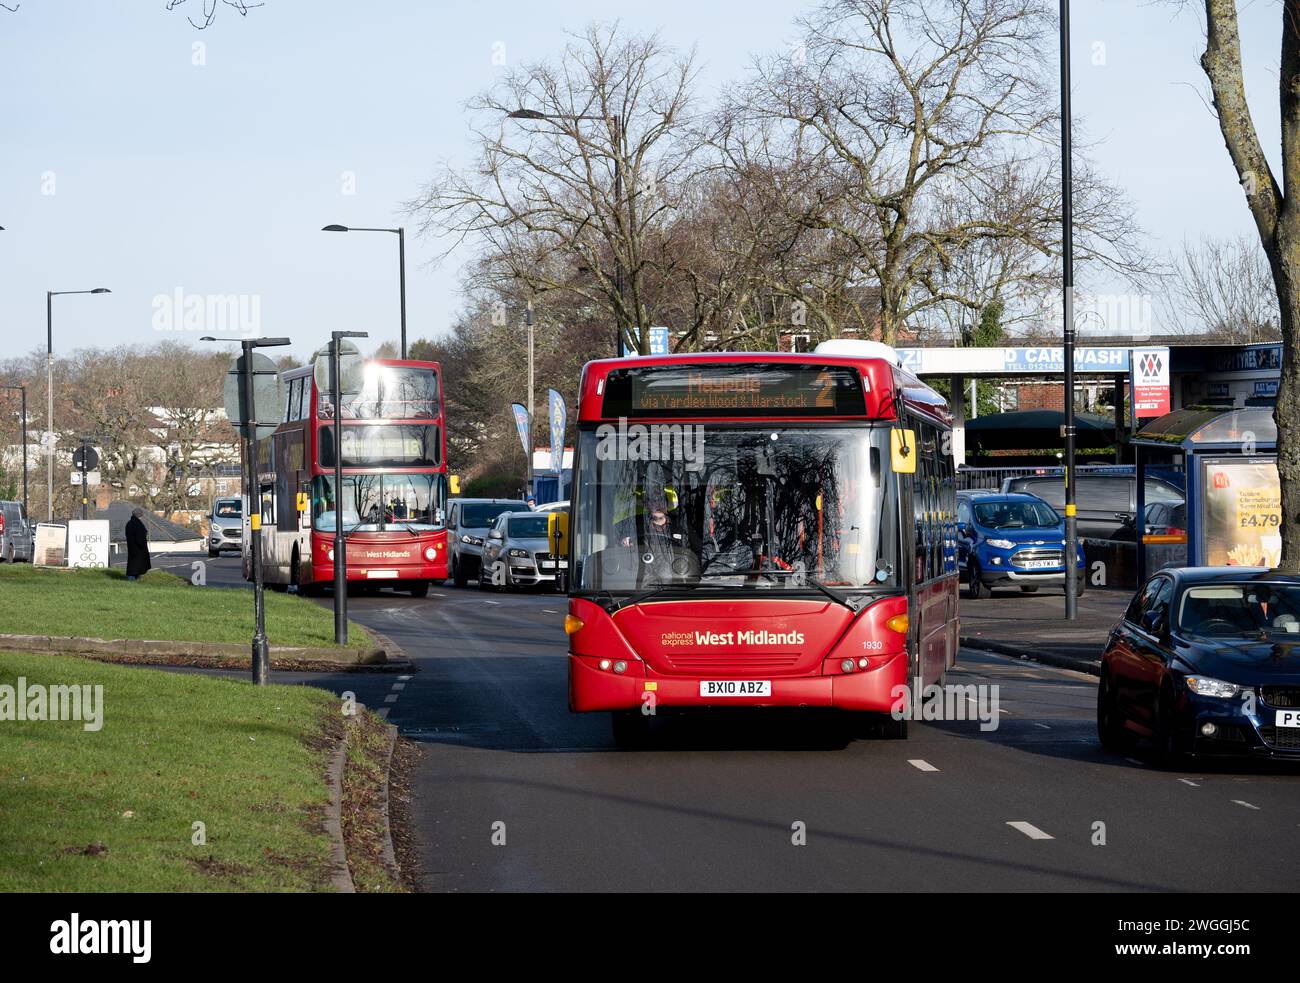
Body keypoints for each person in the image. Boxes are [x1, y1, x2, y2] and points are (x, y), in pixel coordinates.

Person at [125, 507, 151, 580]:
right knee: (137, 565)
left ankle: (133, 578)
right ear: (139, 515)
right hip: (139, 548)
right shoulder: (138, 524)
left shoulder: (129, 523)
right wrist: (142, 545)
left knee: (133, 564)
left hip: (131, 547)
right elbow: (140, 536)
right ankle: (134, 579)